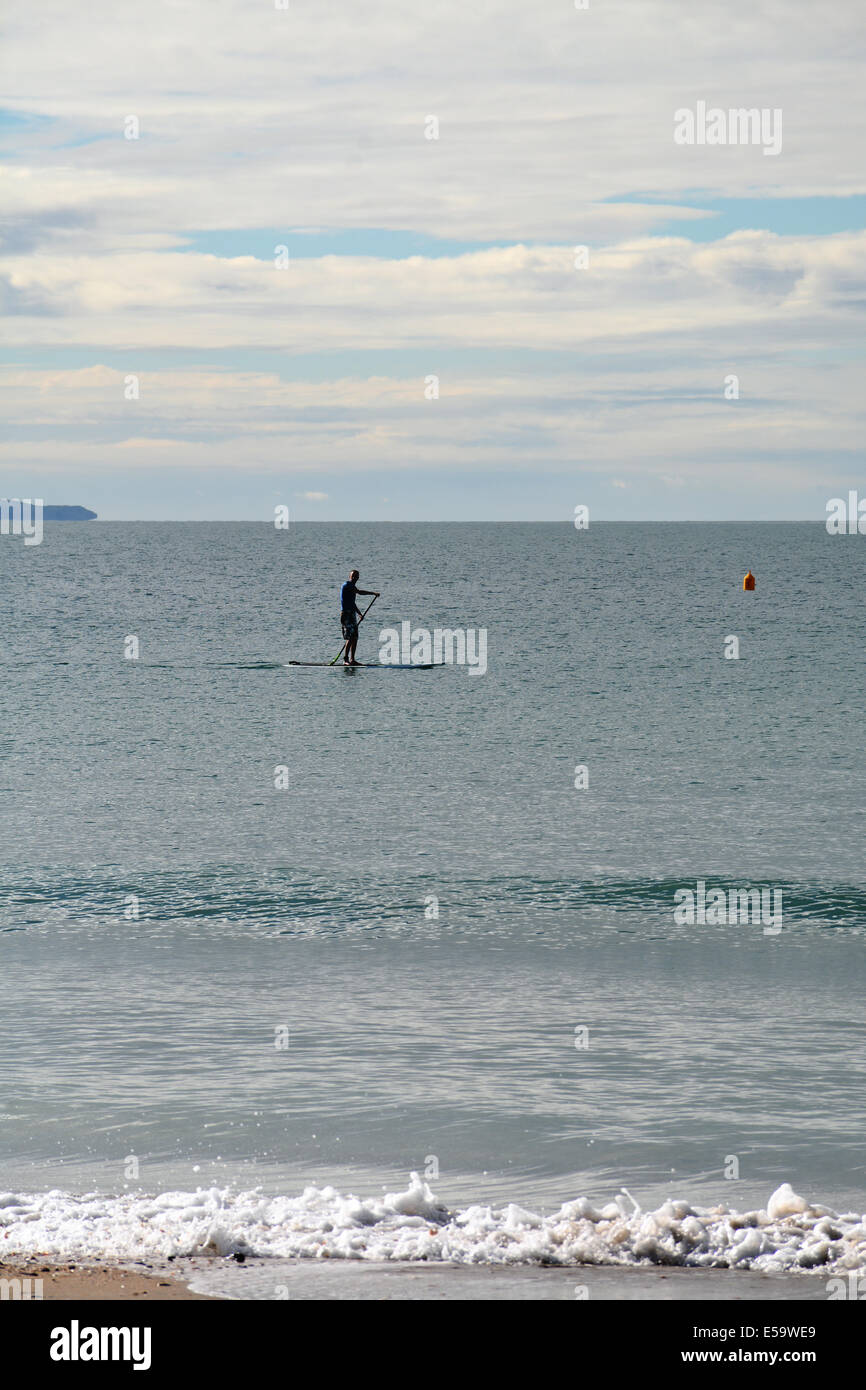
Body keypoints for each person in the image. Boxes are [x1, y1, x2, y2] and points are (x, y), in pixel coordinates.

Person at [340, 569, 379, 665]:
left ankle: (352, 659)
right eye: (353, 576)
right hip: (346, 614)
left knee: (355, 637)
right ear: (350, 576)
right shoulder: (347, 585)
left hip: (352, 614)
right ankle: (346, 660)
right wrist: (373, 593)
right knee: (350, 637)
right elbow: (359, 592)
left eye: (357, 576)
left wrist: (359, 614)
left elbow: (352, 603)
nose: (355, 578)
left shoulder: (353, 586)